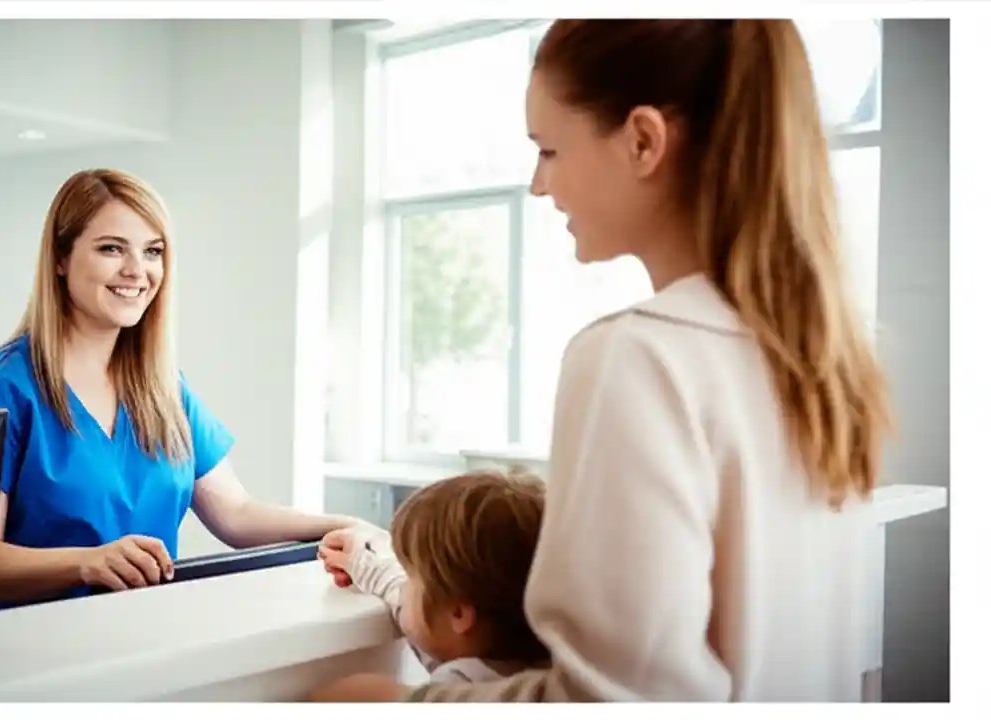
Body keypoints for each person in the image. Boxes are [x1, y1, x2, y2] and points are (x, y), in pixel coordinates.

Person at [309, 19, 891, 702]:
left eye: (549, 150)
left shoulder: (637, 358)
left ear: (643, 141)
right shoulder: (819, 363)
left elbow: (616, 701)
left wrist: (397, 704)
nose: (537, 185)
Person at [0, 168, 358, 606]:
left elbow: (236, 515)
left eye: (153, 251)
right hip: (23, 652)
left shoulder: (165, 390)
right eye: (111, 248)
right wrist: (84, 563)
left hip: (147, 637)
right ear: (60, 260)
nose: (137, 270)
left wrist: (345, 526)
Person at [313, 469, 550, 689]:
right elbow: (408, 602)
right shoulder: (541, 671)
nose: (404, 586)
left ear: (458, 613)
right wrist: (363, 564)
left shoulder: (458, 688)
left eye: (411, 577)